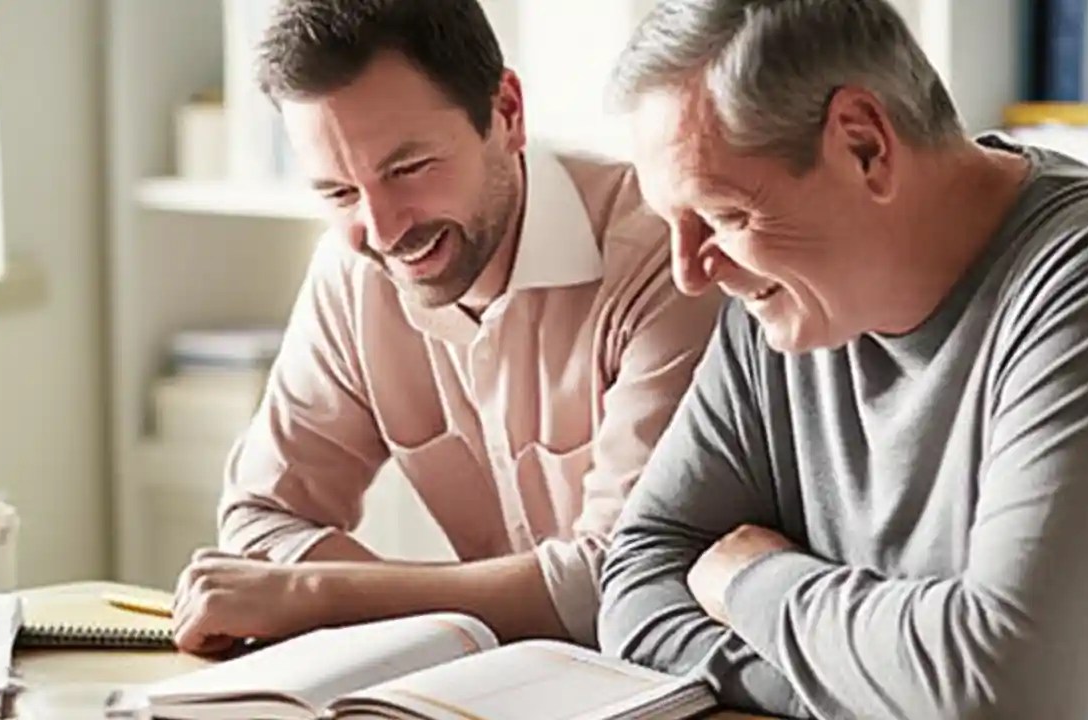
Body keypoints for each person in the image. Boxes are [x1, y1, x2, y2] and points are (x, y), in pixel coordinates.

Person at [596, 0, 1088, 718]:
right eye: (673, 225)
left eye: (723, 217)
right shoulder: (778, 311)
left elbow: (1011, 695)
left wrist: (754, 582)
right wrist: (879, 689)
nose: (690, 272)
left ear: (864, 146)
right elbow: (636, 585)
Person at [171, 0, 721, 655]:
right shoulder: (353, 273)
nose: (382, 230)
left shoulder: (668, 254)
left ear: (508, 114)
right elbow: (261, 516)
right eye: (338, 193)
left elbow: (619, 579)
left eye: (408, 169)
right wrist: (421, 609)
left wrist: (317, 596)